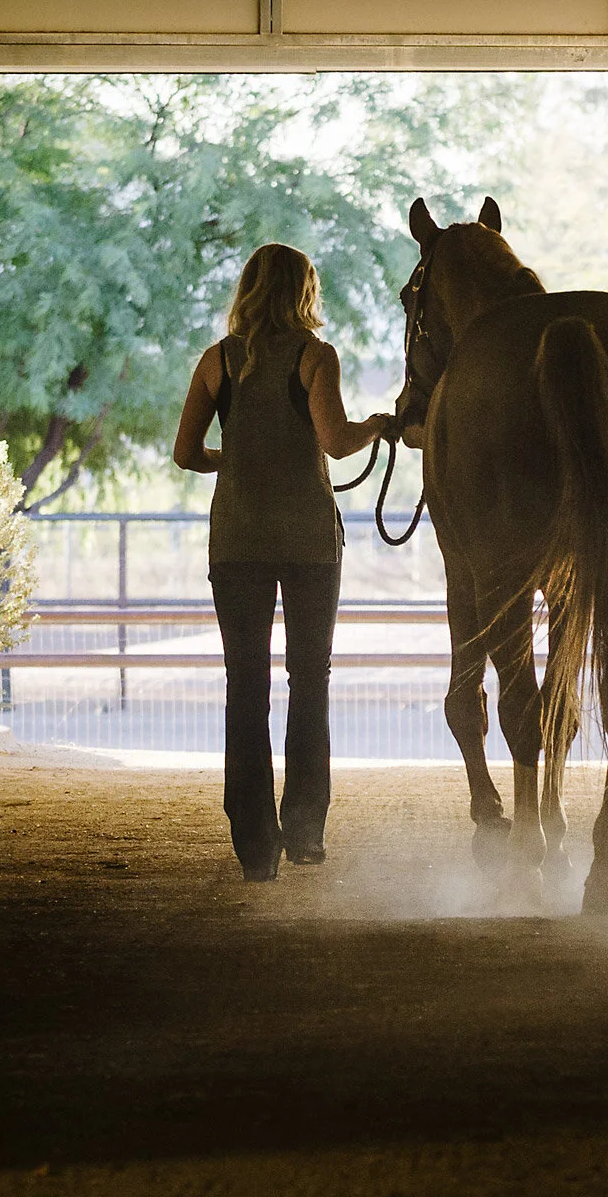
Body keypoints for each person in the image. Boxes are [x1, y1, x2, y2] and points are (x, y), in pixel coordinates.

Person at [173, 243, 392, 882]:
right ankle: (304, 831)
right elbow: (335, 441)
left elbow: (186, 452)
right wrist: (379, 425)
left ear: (247, 290)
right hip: (306, 541)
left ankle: (254, 845)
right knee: (309, 679)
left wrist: (235, 461)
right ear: (304, 292)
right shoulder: (314, 357)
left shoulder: (218, 360)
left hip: (237, 539)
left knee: (246, 685)